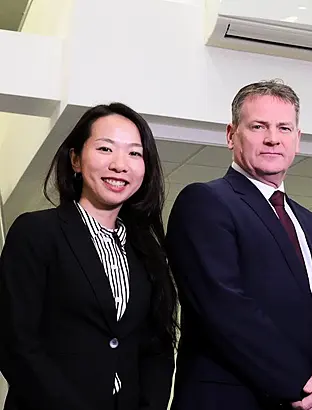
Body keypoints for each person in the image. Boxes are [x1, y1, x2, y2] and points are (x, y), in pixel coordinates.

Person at [166, 80, 312, 410]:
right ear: (230, 134)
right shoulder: (205, 201)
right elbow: (224, 310)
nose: (272, 138)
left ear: (297, 139)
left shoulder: (311, 225)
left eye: (284, 127)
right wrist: (303, 385)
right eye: (258, 126)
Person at [0, 103, 179, 410]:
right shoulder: (37, 232)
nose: (120, 164)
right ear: (75, 160)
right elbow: (14, 342)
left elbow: (157, 348)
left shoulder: (148, 252)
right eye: (106, 149)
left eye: (135, 153)